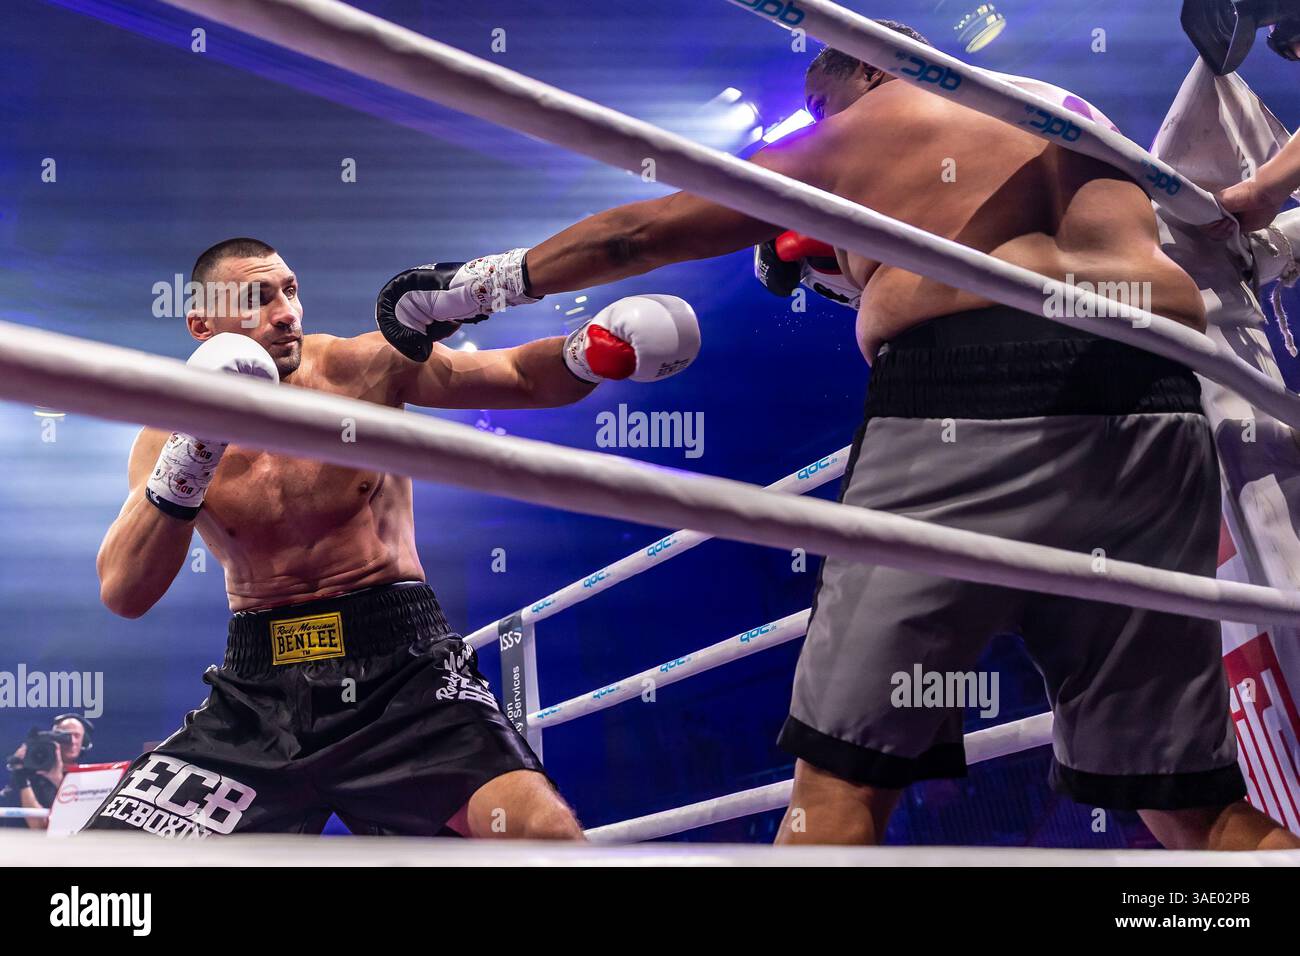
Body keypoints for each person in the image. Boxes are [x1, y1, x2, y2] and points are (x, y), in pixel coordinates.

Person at [386, 23, 1300, 850]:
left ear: (869, 62)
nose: (817, 126)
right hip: (1155, 401)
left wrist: (468, 288)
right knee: (1190, 798)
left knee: (840, 782)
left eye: (820, 106)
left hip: (967, 398)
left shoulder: (873, 114)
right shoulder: (1074, 114)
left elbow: (638, 233)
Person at [87, 237, 700, 839]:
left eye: (290, 291)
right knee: (99, 873)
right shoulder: (164, 432)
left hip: (404, 674)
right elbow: (124, 592)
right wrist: (194, 446)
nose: (284, 314)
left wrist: (586, 353)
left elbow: (514, 375)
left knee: (543, 835)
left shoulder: (356, 370)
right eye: (256, 297)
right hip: (258, 691)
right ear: (201, 324)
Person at [1, 714, 90, 830]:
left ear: (84, 741)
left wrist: (58, 780)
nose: (72, 741)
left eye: (77, 736)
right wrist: (21, 774)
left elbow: (81, 819)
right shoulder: (28, 773)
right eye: (66, 736)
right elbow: (37, 826)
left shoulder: (85, 778)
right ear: (55, 737)